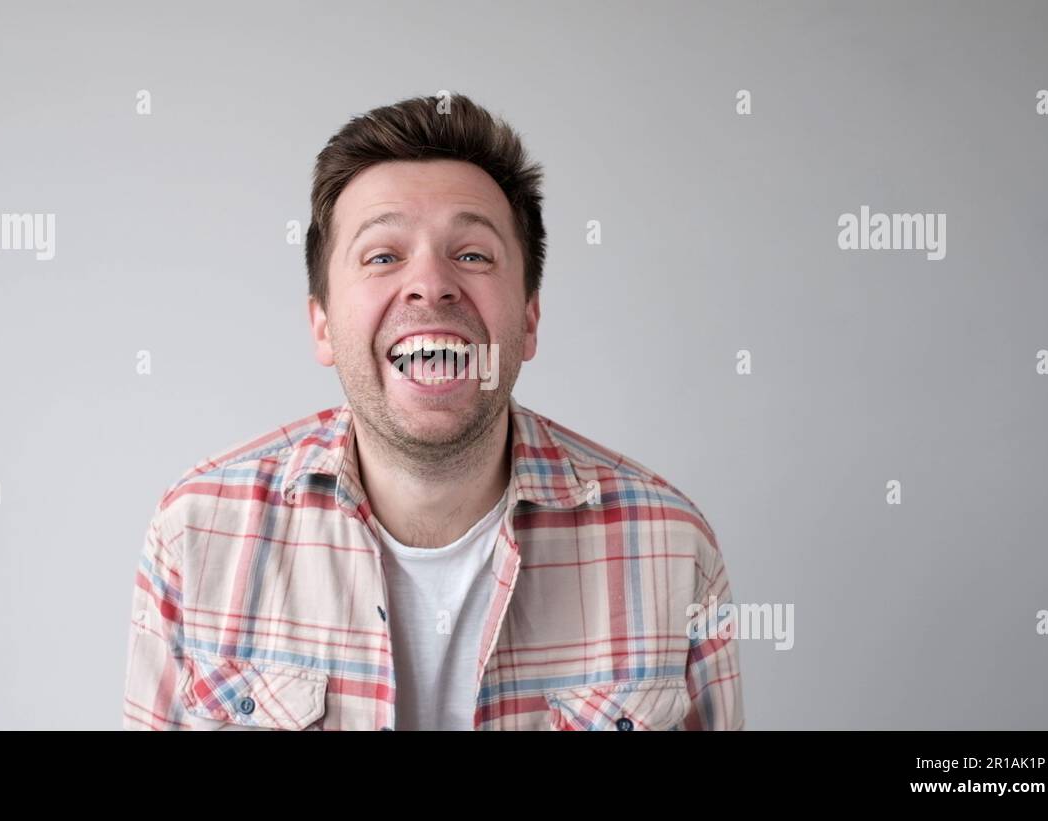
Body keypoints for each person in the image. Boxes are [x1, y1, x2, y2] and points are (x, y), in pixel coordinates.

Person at [122, 93, 744, 731]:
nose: (430, 284)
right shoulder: (196, 535)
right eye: (383, 256)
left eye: (472, 255)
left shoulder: (672, 550)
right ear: (323, 325)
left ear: (528, 320)